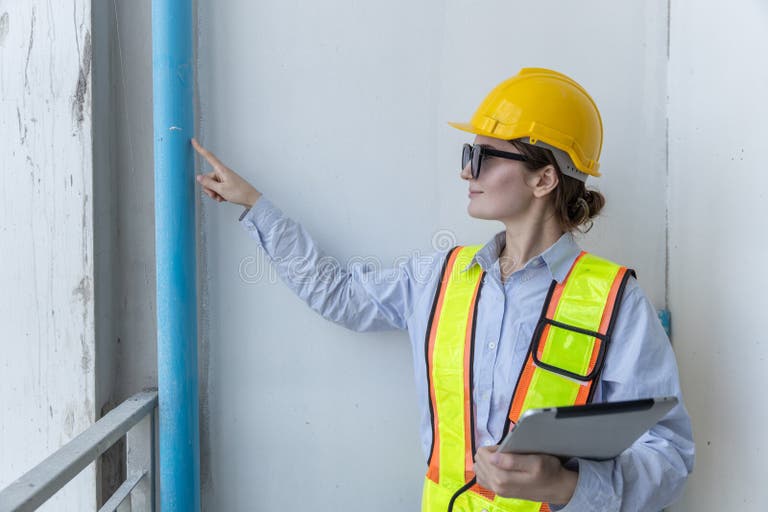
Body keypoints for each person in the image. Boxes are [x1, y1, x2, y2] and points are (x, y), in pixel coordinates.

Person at [192, 67, 694, 512]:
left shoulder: (616, 302)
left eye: (483, 156)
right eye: (467, 154)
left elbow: (668, 455)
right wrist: (254, 204)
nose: (464, 170)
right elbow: (338, 294)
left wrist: (566, 486)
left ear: (543, 179)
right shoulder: (439, 278)